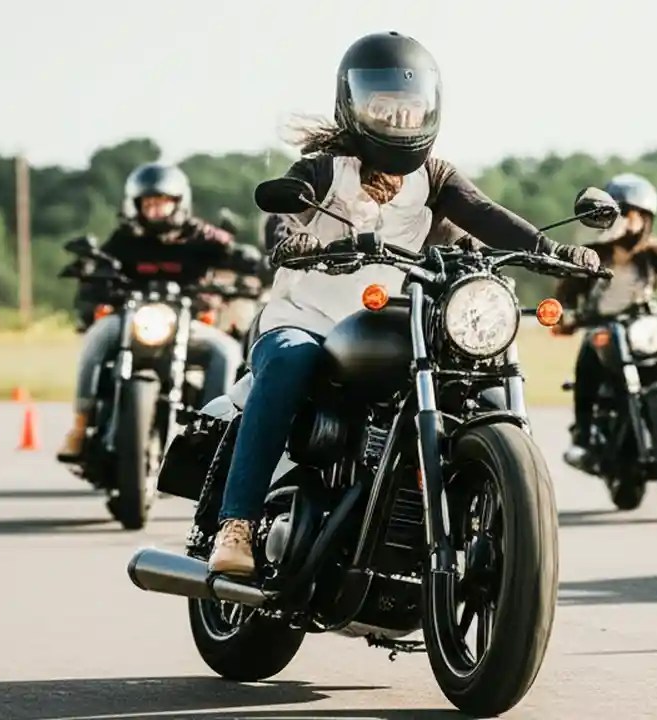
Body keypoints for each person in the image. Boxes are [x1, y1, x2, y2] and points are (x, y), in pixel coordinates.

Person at [207, 30, 601, 576]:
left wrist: (552, 250)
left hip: (391, 323)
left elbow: (487, 216)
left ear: (430, 109)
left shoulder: (433, 174)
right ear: (354, 105)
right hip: (307, 322)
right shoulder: (326, 169)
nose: (398, 120)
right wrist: (292, 242)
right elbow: (284, 215)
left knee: (471, 378)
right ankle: (238, 525)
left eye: (409, 108)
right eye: (384, 107)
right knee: (293, 361)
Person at [57, 162, 260, 460]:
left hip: (188, 322)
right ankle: (80, 424)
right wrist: (90, 270)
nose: (155, 210)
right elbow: (102, 263)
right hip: (131, 319)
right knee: (96, 337)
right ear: (135, 206)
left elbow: (233, 253)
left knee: (226, 352)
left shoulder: (200, 236)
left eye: (162, 203)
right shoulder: (125, 239)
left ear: (179, 203)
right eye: (148, 204)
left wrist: (248, 260)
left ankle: (213, 433)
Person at [553, 172, 657, 456]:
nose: (630, 221)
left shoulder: (653, 252)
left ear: (647, 219)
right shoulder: (591, 254)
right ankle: (583, 437)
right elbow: (566, 290)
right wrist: (562, 319)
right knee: (586, 370)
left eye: (636, 214)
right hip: (601, 325)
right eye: (623, 213)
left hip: (643, 321)